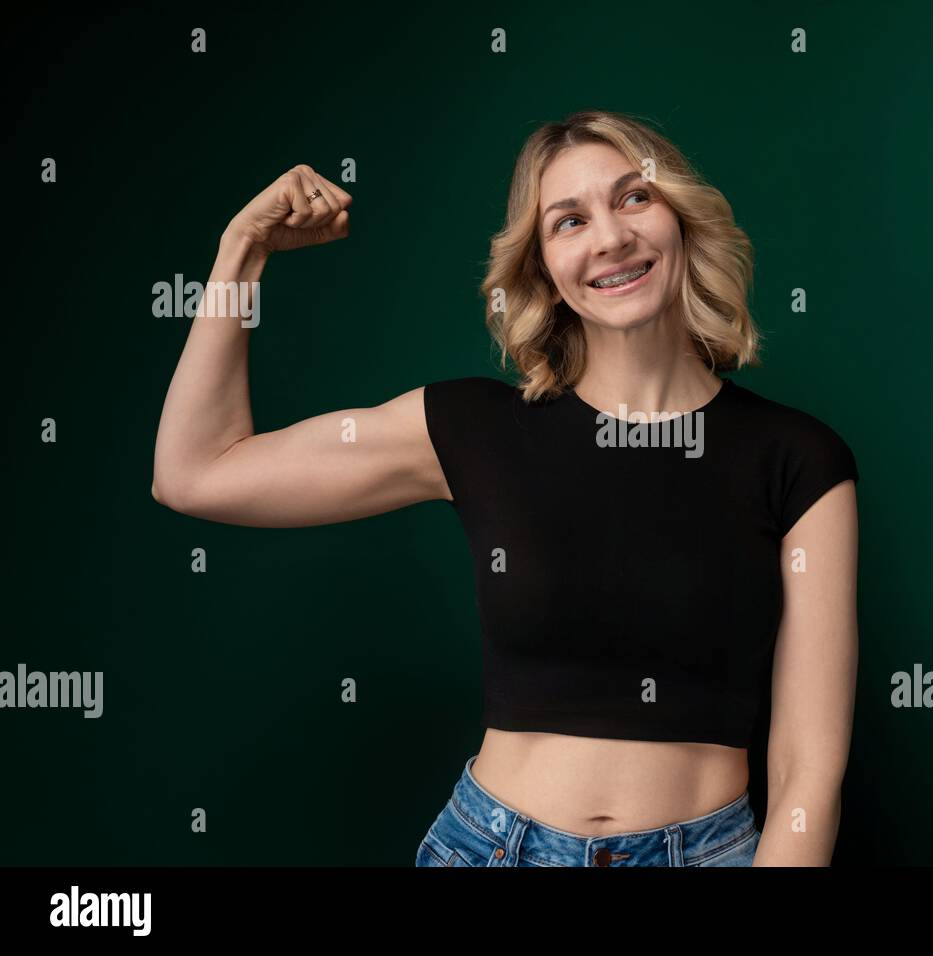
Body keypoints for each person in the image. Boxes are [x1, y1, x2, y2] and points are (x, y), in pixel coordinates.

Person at [152, 109, 859, 867]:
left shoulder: (797, 458)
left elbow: (806, 773)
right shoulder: (470, 427)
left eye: (633, 198)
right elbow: (196, 471)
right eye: (568, 221)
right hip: (488, 849)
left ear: (679, 217)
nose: (610, 238)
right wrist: (241, 254)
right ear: (543, 270)